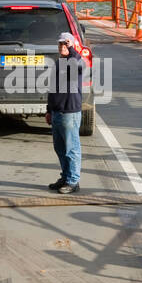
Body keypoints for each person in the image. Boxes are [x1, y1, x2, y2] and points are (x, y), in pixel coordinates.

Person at [45, 31, 84, 194]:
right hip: (57, 112)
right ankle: (66, 176)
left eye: (65, 43)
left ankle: (73, 181)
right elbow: (52, 89)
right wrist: (48, 110)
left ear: (71, 45)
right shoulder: (58, 63)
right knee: (60, 148)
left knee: (71, 148)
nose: (62, 46)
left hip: (70, 112)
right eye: (60, 43)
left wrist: (72, 49)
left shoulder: (77, 62)